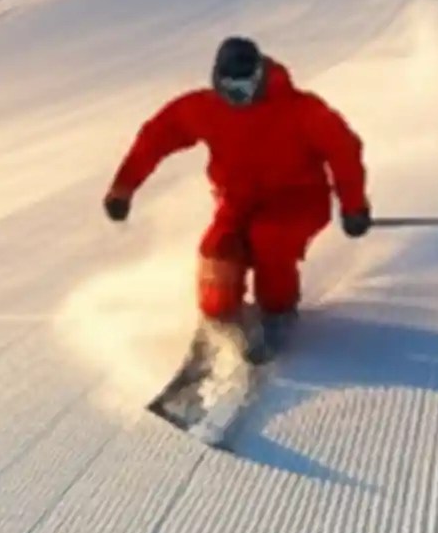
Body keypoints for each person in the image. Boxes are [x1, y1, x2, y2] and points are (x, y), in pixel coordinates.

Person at [103, 36, 371, 351]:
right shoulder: (206, 108)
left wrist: (353, 206)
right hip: (238, 202)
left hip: (298, 199)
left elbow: (344, 151)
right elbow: (157, 137)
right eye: (231, 88)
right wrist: (123, 189)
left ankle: (277, 311)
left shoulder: (301, 109)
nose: (240, 97)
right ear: (218, 80)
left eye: (247, 86)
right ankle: (218, 319)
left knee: (268, 240)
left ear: (261, 75)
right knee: (219, 251)